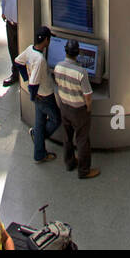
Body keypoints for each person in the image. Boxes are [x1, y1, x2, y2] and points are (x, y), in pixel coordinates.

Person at [53, 38, 100, 180]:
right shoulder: (81, 72)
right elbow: (87, 94)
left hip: (64, 106)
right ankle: (84, 171)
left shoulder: (58, 67)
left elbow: (58, 83)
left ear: (65, 51)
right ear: (78, 53)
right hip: (79, 110)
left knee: (67, 137)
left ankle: (69, 163)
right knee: (82, 140)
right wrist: (88, 107)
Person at [15, 25, 62, 165]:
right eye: (49, 39)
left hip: (39, 95)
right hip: (45, 95)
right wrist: (33, 96)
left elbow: (18, 61)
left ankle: (39, 154)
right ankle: (37, 136)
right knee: (56, 119)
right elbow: (34, 83)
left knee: (40, 121)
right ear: (46, 40)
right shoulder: (40, 60)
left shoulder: (30, 50)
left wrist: (25, 78)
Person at [1, 0, 19, 87]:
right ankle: (15, 73)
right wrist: (3, 11)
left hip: (21, 25)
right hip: (10, 23)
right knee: (12, 49)